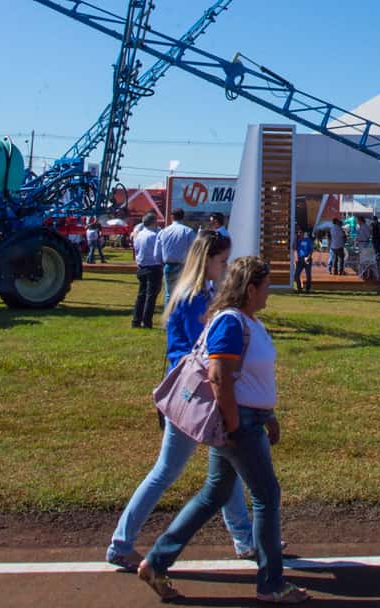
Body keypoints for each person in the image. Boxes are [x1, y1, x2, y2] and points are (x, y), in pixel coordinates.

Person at [138, 257, 308, 605]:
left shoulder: (246, 320)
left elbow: (251, 376)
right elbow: (218, 377)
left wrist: (269, 414)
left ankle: (156, 561)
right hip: (239, 423)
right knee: (266, 495)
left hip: (247, 419)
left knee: (214, 494)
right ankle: (271, 584)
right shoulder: (231, 323)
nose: (269, 293)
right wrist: (233, 424)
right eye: (265, 286)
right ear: (250, 289)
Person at [108, 232, 260, 569]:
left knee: (223, 470)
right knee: (170, 471)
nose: (224, 267)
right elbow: (201, 352)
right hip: (194, 395)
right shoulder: (195, 298)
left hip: (195, 393)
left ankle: (245, 539)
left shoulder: (198, 293)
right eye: (221, 261)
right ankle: (121, 543)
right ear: (207, 259)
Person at [156, 209, 198, 307]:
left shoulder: (163, 232)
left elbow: (156, 254)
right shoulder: (188, 231)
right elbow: (194, 250)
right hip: (184, 266)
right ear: (183, 217)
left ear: (171, 217)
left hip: (168, 266)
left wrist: (162, 263)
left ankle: (168, 318)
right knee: (183, 294)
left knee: (169, 295)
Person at [131, 214, 164, 328]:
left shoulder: (139, 235)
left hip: (142, 266)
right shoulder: (154, 236)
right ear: (153, 222)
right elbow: (159, 252)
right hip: (153, 267)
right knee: (151, 296)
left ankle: (136, 320)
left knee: (141, 295)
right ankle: (146, 321)